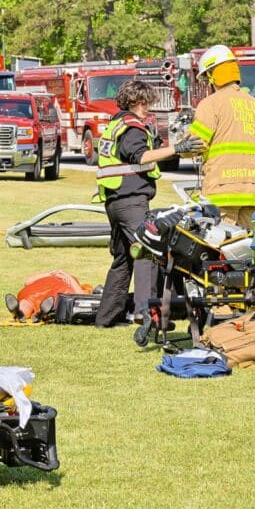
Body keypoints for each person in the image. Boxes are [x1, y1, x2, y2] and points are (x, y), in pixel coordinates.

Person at [94, 80, 204, 328]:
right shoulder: (132, 127)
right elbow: (141, 156)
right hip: (130, 199)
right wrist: (177, 148)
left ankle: (107, 318)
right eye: (144, 103)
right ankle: (145, 313)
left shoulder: (115, 124)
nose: (148, 108)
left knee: (123, 259)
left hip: (115, 200)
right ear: (133, 102)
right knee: (148, 249)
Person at [188, 44, 255, 228]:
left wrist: (181, 146)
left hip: (222, 190)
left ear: (212, 75)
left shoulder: (211, 104)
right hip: (253, 190)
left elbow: (195, 144)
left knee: (221, 247)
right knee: (245, 248)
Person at [5, 270, 94, 323]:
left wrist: (51, 273)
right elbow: (81, 297)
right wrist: (68, 277)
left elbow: (27, 282)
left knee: (26, 304)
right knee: (56, 303)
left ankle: (18, 311)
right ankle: (41, 314)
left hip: (34, 291)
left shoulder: (54, 275)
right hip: (53, 297)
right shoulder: (71, 283)